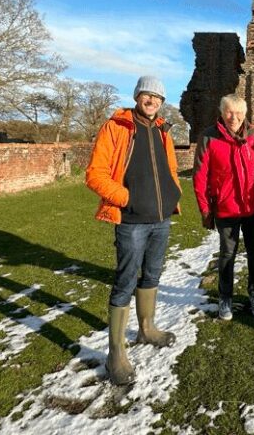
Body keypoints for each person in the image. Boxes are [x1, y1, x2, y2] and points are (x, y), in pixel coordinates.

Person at [86, 75, 182, 386]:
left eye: (157, 96)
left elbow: (169, 170)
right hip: (131, 221)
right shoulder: (116, 126)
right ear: (137, 96)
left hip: (161, 218)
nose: (152, 100)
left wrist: (174, 194)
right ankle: (115, 353)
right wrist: (126, 198)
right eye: (146, 94)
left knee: (152, 275)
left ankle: (147, 329)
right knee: (125, 281)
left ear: (162, 102)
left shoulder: (163, 130)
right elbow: (95, 174)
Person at [192, 94, 254, 321]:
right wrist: (205, 209)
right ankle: (225, 297)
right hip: (225, 208)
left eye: (238, 113)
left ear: (245, 114)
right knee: (228, 254)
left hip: (252, 208)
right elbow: (199, 176)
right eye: (229, 112)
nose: (233, 117)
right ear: (221, 112)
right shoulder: (209, 137)